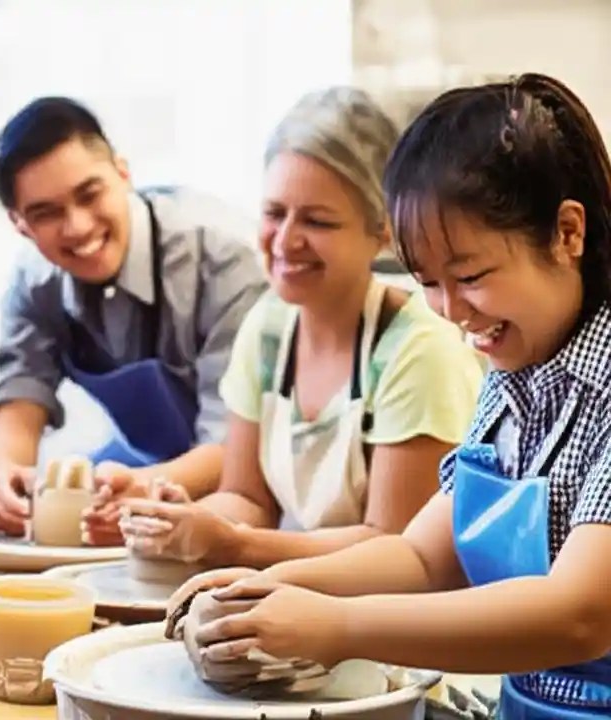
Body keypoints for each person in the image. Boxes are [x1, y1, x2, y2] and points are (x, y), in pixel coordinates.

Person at [168, 73, 611, 718]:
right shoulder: (513, 372)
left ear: (567, 233)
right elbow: (424, 556)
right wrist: (269, 587)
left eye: (471, 276)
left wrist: (338, 629)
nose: (450, 311)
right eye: (428, 282)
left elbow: (581, 615)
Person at [116, 88, 483, 570]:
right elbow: (248, 499)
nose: (286, 241)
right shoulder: (268, 327)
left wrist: (234, 545)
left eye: (317, 221)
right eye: (274, 213)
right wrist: (180, 519)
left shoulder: (420, 347)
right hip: (315, 592)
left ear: (383, 232)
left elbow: (395, 548)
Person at [0, 96, 267, 538]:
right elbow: (20, 396)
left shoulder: (224, 259)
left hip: (245, 485)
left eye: (89, 194)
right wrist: (5, 478)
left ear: (123, 173)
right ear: (20, 224)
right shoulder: (35, 281)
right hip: (142, 467)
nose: (78, 227)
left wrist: (140, 490)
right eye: (46, 213)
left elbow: (233, 444)